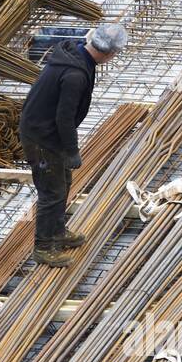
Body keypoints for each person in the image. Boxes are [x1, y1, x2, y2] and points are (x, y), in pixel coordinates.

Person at [18, 23, 129, 267]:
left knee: (63, 183)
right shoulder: (75, 75)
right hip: (42, 137)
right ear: (109, 53)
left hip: (48, 131)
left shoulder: (78, 55)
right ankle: (44, 248)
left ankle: (58, 232)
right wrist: (71, 150)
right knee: (52, 192)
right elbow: (64, 118)